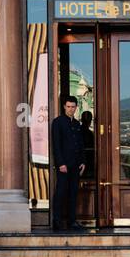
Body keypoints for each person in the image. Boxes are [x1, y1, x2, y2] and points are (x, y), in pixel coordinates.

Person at [51, 95, 85, 232]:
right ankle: (57, 222)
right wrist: (60, 163)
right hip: (63, 165)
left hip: (76, 165)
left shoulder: (77, 124)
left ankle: (72, 221)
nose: (71, 109)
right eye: (68, 106)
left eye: (73, 107)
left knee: (73, 193)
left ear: (76, 107)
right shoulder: (58, 122)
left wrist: (83, 161)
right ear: (64, 107)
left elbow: (80, 144)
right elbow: (56, 144)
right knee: (60, 193)